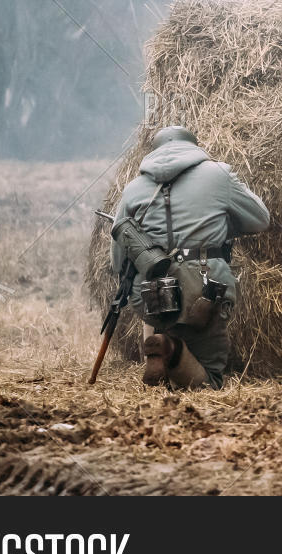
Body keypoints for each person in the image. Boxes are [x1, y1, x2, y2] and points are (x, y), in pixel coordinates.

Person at [111, 126, 269, 388]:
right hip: (205, 285)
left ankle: (165, 344)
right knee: (211, 377)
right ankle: (170, 349)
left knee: (173, 339)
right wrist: (220, 226)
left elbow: (118, 261)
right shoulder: (218, 174)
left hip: (152, 294)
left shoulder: (133, 189)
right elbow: (261, 220)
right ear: (194, 147)